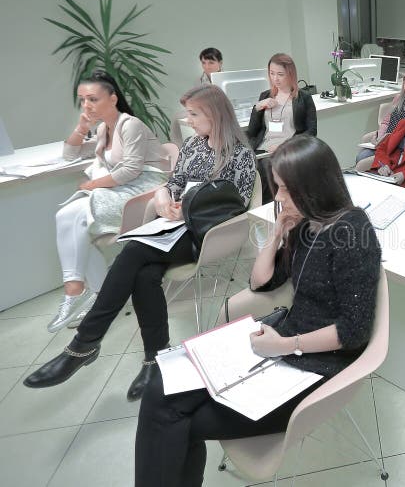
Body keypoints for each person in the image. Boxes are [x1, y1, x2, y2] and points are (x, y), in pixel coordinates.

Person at [134, 135, 381, 487]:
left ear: (313, 187)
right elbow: (261, 282)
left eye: (283, 189)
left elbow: (353, 332)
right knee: (161, 386)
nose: (277, 198)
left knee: (174, 416)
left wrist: (287, 345)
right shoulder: (306, 223)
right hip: (280, 343)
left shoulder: (354, 233)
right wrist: (278, 233)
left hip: (315, 363)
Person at [24, 84, 256, 401]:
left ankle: (84, 344)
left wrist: (187, 212)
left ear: (215, 114)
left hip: (207, 235)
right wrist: (163, 198)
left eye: (193, 114)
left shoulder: (241, 155)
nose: (188, 120)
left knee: (133, 250)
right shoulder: (191, 146)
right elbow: (173, 183)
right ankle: (154, 360)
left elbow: (236, 205)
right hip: (173, 229)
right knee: (145, 275)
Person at [49, 70, 168, 333]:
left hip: (144, 192)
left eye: (93, 99)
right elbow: (70, 154)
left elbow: (131, 170)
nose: (87, 105)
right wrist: (81, 127)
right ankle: (82, 289)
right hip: (121, 189)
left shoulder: (130, 125)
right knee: (66, 217)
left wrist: (92, 185)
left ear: (113, 98)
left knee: (81, 214)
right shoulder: (105, 128)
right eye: (82, 100)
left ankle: (79, 291)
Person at [246, 53, 317, 203]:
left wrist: (284, 145)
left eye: (280, 74)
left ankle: (273, 207)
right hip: (263, 148)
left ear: (290, 74)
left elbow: (311, 132)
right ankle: (260, 209)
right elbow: (252, 131)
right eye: (272, 73)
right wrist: (258, 107)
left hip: (289, 148)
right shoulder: (265, 95)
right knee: (254, 166)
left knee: (268, 167)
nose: (275, 79)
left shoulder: (303, 98)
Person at [355, 66, 405, 163]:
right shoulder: (399, 98)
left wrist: (390, 141)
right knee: (362, 155)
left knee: (363, 158)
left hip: (400, 147)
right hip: (387, 142)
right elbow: (386, 122)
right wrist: (379, 137)